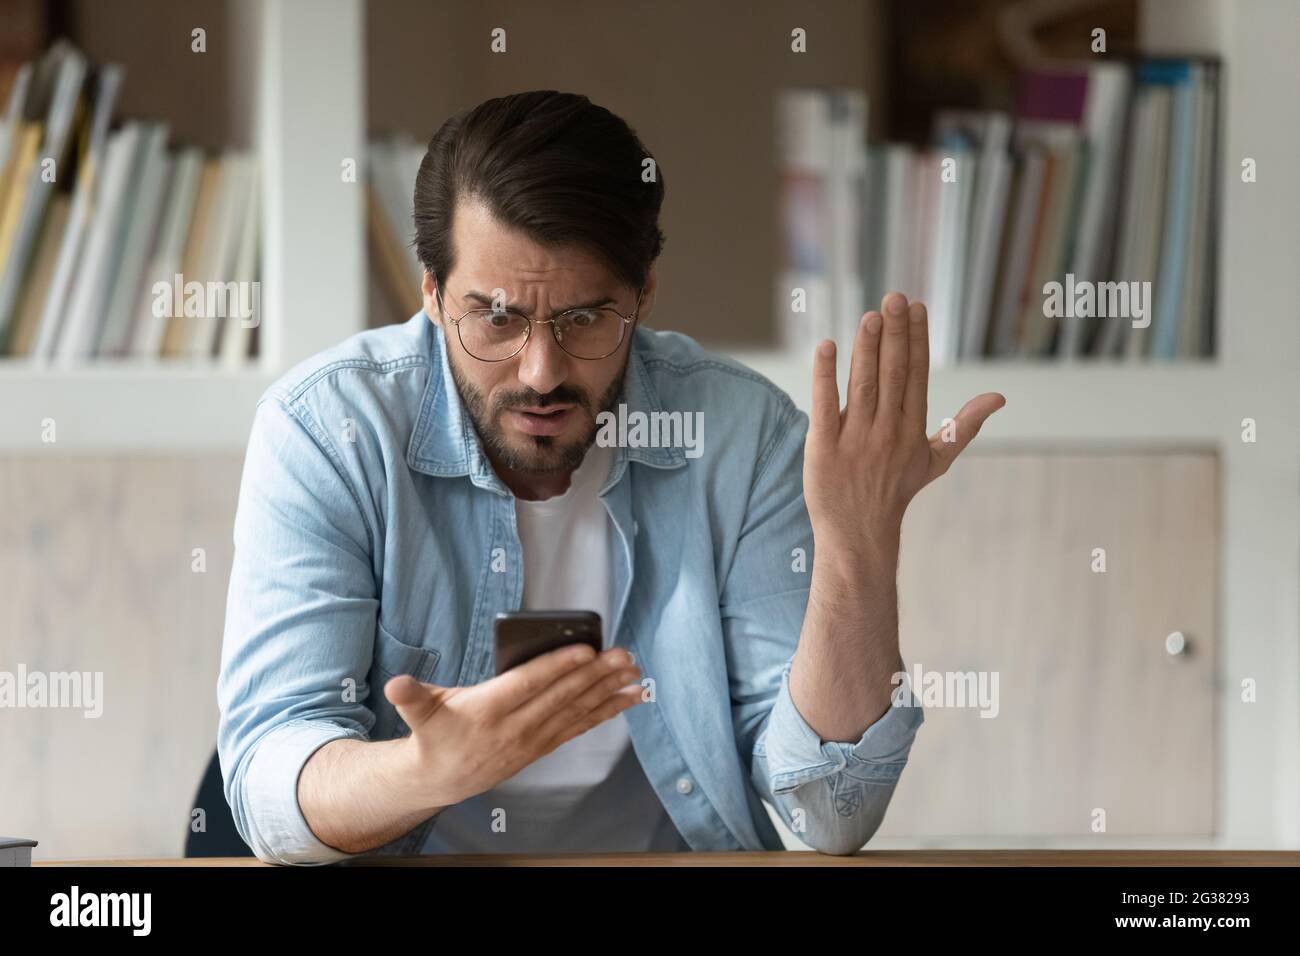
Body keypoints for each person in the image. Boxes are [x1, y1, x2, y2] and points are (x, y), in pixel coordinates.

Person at [216, 90, 1005, 865]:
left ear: (642, 297)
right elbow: (268, 784)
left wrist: (857, 543)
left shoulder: (742, 436)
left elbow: (834, 812)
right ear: (431, 293)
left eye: (584, 319)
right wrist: (428, 771)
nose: (541, 372)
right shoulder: (327, 432)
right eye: (496, 318)